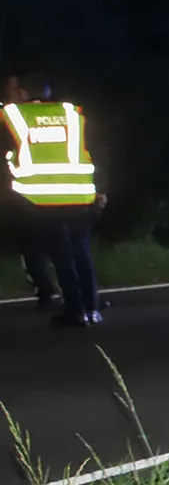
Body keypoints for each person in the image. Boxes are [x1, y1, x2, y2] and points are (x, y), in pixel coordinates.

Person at [2, 73, 102, 325]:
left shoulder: (15, 115)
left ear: (24, 93)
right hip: (80, 193)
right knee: (82, 252)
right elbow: (95, 148)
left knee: (62, 256)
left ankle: (75, 310)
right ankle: (93, 309)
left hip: (42, 199)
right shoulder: (71, 112)